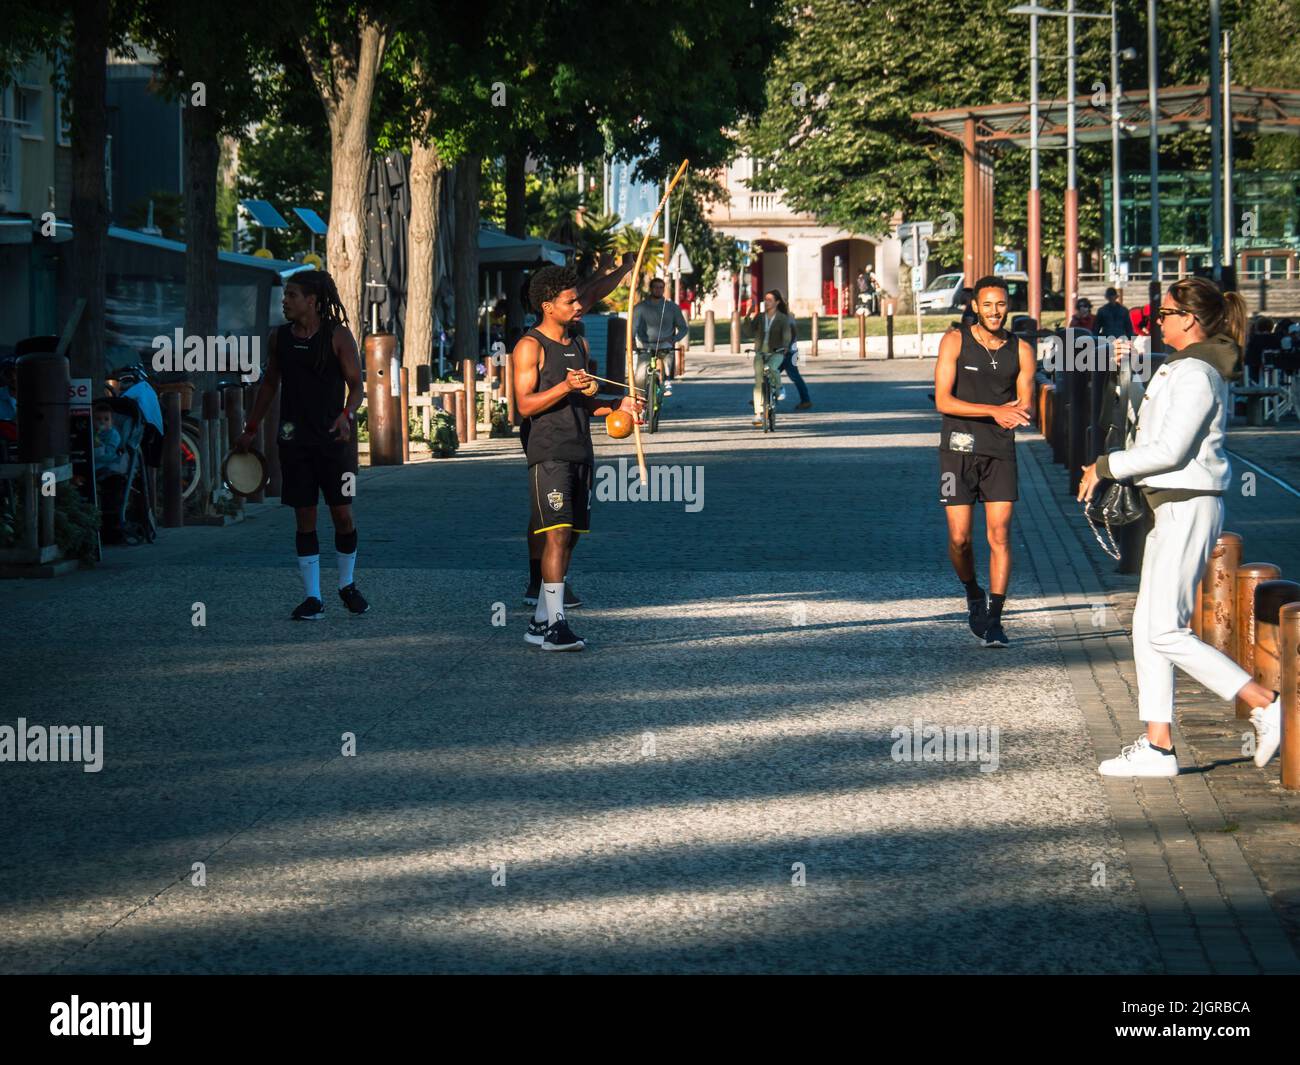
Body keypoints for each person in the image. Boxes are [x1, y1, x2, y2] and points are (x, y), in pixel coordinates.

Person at [1079, 277, 1282, 776]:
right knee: (1148, 629)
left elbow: (1170, 450)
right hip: (1173, 506)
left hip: (1189, 505)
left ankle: (1264, 701)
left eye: (1164, 314)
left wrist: (1106, 466)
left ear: (1189, 320)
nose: (1157, 321)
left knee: (1165, 630)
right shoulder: (1182, 368)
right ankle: (1157, 746)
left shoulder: (1195, 373)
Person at [512, 265, 641, 651]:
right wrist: (565, 385)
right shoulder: (529, 346)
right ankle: (555, 625)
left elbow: (586, 405)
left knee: (570, 541)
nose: (579, 304)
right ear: (548, 306)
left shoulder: (580, 346)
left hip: (581, 450)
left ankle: (538, 622)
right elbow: (524, 405)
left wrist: (620, 404)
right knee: (557, 534)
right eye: (570, 300)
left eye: (578, 298)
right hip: (548, 451)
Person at [237, 270, 367, 621]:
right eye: (285, 295)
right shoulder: (278, 338)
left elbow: (357, 386)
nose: (285, 301)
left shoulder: (338, 336)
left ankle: (347, 584)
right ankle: (313, 598)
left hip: (334, 441)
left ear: (311, 300)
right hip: (294, 440)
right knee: (304, 517)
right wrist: (251, 427)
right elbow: (268, 386)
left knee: (342, 514)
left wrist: (347, 415)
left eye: (291, 295)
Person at [934, 275, 1036, 648]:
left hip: (999, 451)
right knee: (960, 539)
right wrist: (994, 410)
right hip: (956, 451)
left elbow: (1025, 401)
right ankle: (972, 592)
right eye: (987, 304)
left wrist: (1019, 410)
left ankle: (994, 617)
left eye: (1001, 304)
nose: (995, 312)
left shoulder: (1021, 350)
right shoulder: (955, 341)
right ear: (975, 306)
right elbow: (944, 401)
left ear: (1008, 306)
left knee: (999, 535)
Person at [742, 289, 796, 426]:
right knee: (758, 380)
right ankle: (758, 414)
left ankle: (779, 388)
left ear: (777, 302)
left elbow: (787, 335)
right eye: (765, 299)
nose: (767, 302)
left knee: (772, 368)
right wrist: (748, 315)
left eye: (770, 300)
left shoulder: (782, 318)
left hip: (776, 351)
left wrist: (785, 347)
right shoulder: (760, 317)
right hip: (760, 352)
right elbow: (748, 332)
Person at [632, 276, 688, 398]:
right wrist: (632, 341)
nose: (658, 290)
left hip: (665, 344)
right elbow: (633, 327)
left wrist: (674, 339)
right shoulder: (640, 307)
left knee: (668, 358)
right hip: (645, 344)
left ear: (664, 289)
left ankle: (667, 380)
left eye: (661, 287)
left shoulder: (672, 307)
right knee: (640, 375)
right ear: (651, 289)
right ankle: (641, 399)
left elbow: (683, 328)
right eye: (655, 287)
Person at [778, 302, 812, 410]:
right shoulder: (786, 316)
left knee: (794, 376)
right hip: (790, 351)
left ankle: (806, 400)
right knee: (794, 377)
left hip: (789, 352)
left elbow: (792, 333)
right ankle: (805, 400)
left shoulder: (786, 317)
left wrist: (787, 347)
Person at [92, 405, 121, 477]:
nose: (102, 422)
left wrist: (99, 445)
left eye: (106, 419)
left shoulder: (113, 435)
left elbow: (110, 453)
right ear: (92, 421)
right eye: (98, 419)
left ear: (112, 422)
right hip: (92, 462)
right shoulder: (92, 432)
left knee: (106, 471)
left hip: (108, 463)